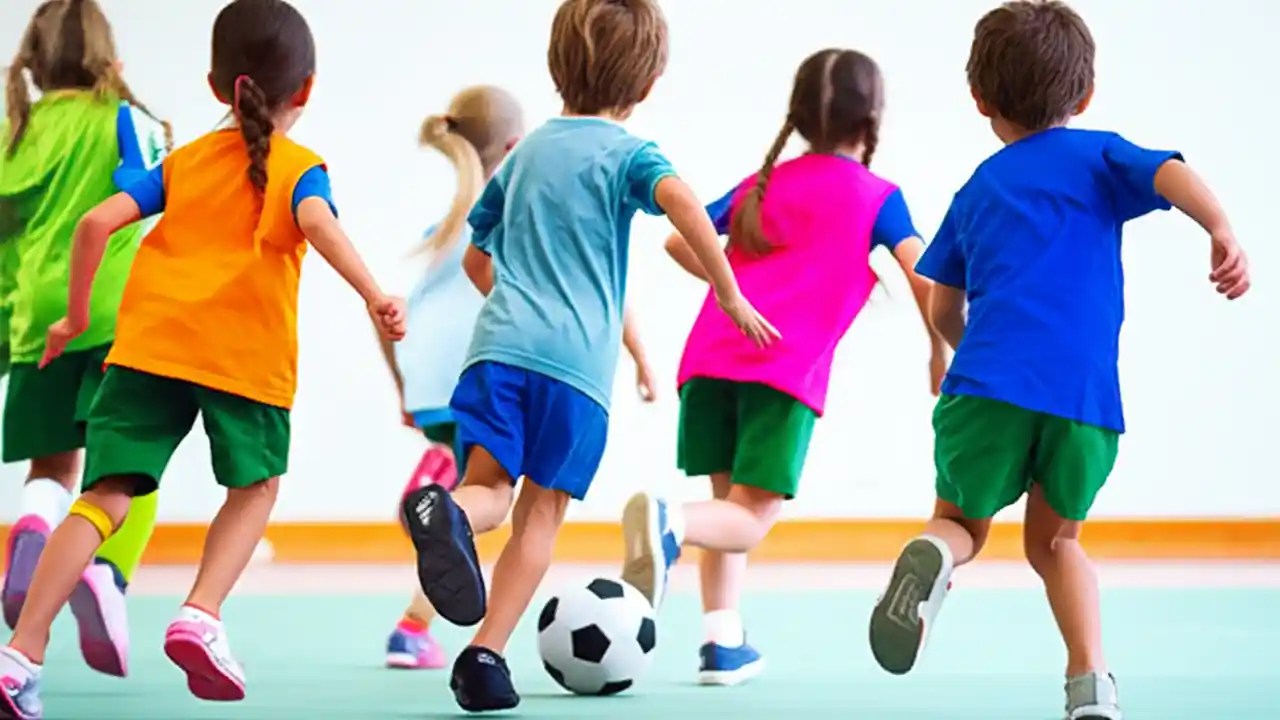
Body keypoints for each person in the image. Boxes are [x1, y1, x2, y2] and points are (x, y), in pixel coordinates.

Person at [0, 1, 406, 716]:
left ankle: (20, 652)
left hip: (149, 346)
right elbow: (317, 222)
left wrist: (71, 316)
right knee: (255, 489)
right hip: (240, 359)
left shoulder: (181, 163)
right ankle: (201, 612)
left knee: (102, 497)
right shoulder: (300, 169)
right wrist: (374, 292)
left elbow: (97, 222)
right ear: (305, 90)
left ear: (218, 86)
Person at [865, 3, 1251, 719]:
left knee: (960, 520)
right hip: (1083, 398)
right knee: (1056, 542)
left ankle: (938, 558)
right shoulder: (1101, 156)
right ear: (1085, 95)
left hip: (986, 388)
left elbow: (943, 303)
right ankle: (1090, 685)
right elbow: (1170, 171)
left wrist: (955, 350)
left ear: (980, 101)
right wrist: (1219, 228)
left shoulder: (978, 189)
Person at [399, 0, 777, 711]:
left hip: (497, 351)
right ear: (650, 80)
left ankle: (450, 513)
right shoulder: (632, 154)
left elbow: (480, 261)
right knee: (539, 519)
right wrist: (727, 291)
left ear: (556, 65)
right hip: (572, 373)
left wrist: (513, 307)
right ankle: (482, 658)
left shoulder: (529, 149)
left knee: (487, 491)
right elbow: (685, 204)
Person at [619, 47, 946, 687]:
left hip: (709, 357)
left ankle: (722, 641)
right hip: (780, 371)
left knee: (728, 504)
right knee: (746, 519)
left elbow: (679, 239)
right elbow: (924, 275)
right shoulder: (878, 197)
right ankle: (669, 523)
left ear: (797, 116)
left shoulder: (762, 184)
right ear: (872, 119)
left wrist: (733, 285)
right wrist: (939, 349)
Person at [383, 86, 659, 671]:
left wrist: (402, 385)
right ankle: (460, 644)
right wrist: (642, 358)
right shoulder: (548, 201)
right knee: (535, 514)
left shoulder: (456, 220)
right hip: (544, 370)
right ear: (513, 146)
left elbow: (407, 304)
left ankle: (442, 523)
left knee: (483, 494)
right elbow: (610, 297)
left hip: (466, 376)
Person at [0, 0, 172, 679]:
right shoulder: (134, 124)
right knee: (133, 458)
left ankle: (35, 528)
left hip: (40, 317)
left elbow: (7, 241)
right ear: (110, 58)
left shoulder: (19, 132)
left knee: (53, 468)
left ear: (36, 64)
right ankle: (106, 572)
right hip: (120, 309)